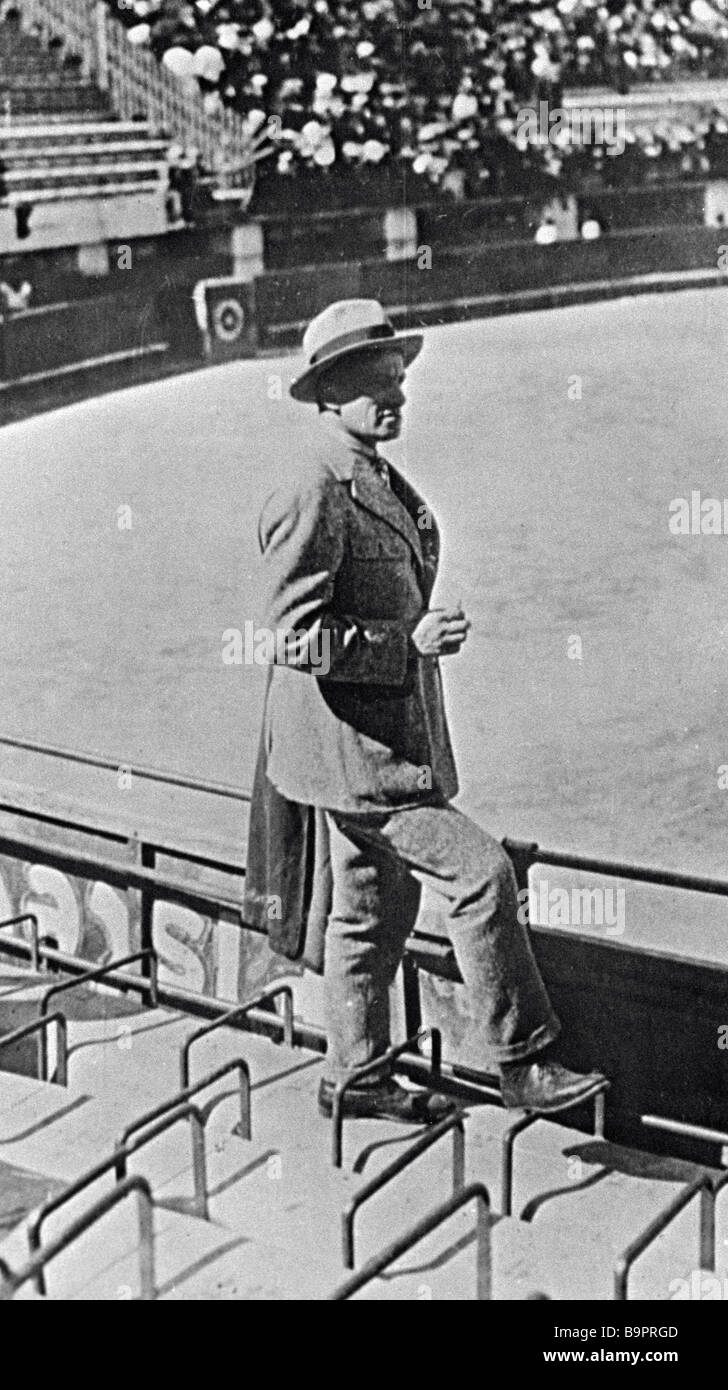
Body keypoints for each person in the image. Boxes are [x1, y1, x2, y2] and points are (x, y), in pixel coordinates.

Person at [244, 298, 605, 1126]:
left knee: (370, 913)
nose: (395, 397)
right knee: (483, 878)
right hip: (359, 757)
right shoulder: (316, 486)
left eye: (399, 380)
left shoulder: (369, 473)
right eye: (376, 384)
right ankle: (523, 1060)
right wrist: (406, 641)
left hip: (369, 744)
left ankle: (355, 1073)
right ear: (329, 393)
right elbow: (292, 635)